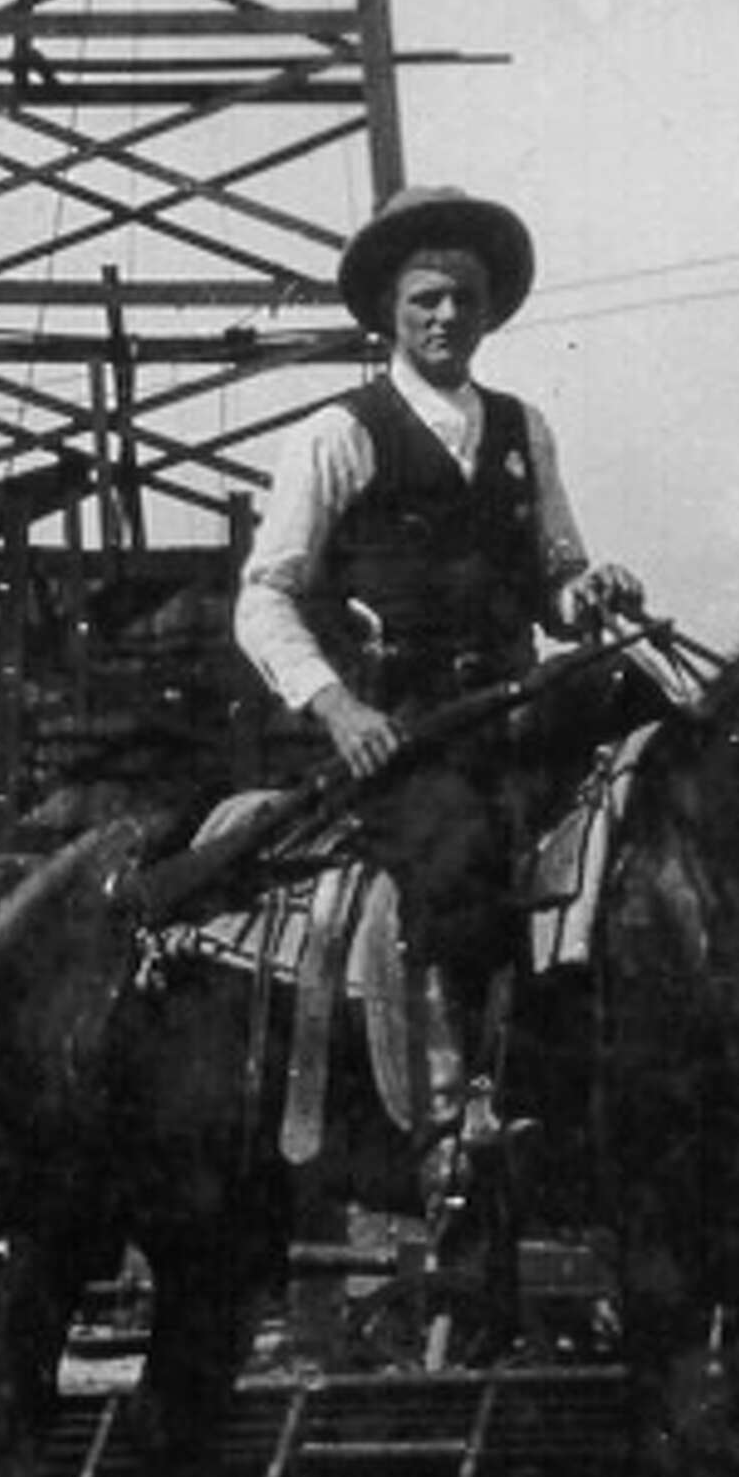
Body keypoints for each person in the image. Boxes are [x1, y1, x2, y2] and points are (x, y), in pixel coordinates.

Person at [234, 183, 647, 1222]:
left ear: (487, 307)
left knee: (653, 733)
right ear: (388, 311)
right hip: (404, 729)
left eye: (463, 297)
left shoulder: (521, 429)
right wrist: (336, 708)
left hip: (515, 698)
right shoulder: (341, 433)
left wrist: (584, 592)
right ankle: (456, 1110)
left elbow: (558, 573)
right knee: (459, 848)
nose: (445, 316)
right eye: (425, 298)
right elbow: (266, 595)